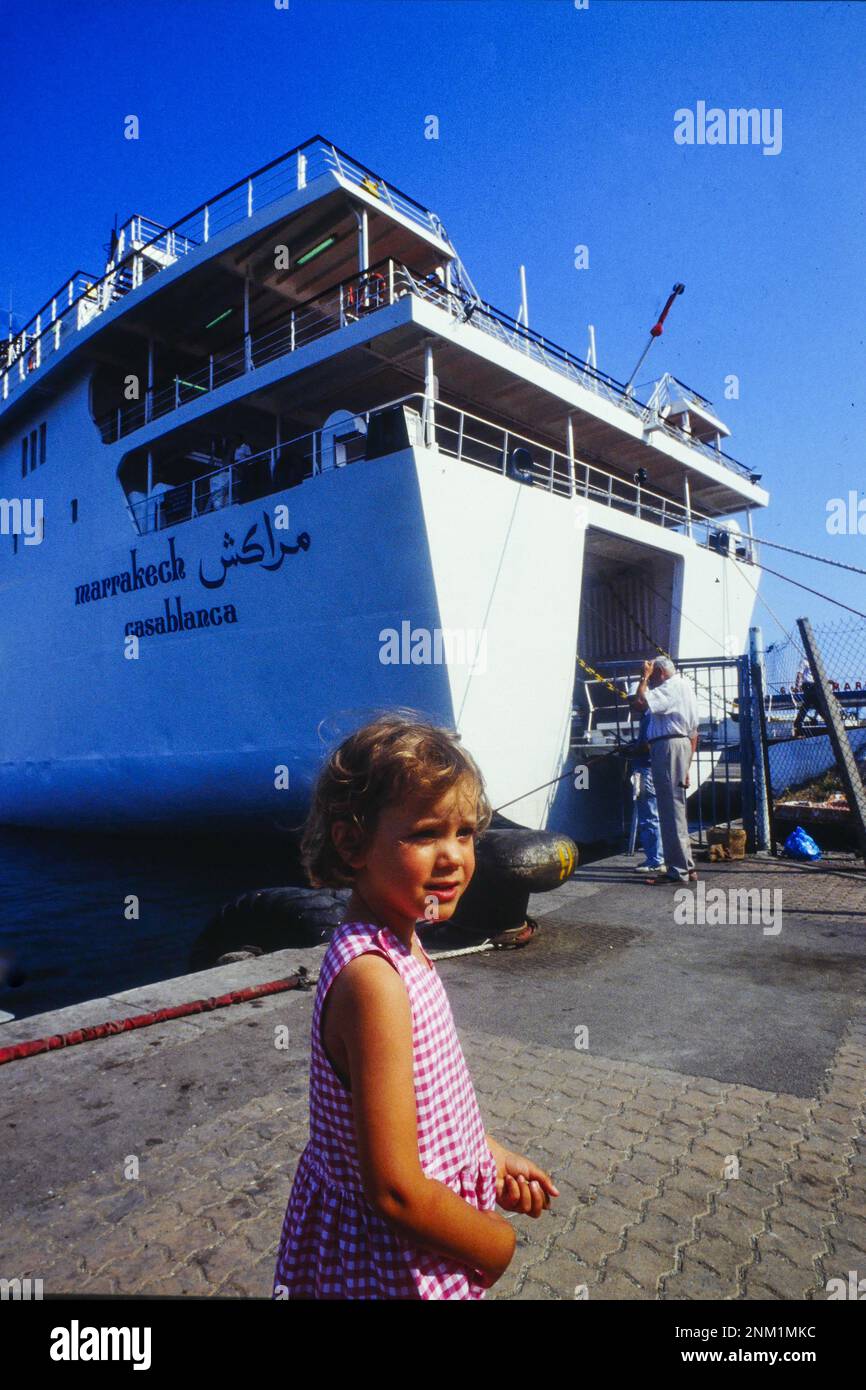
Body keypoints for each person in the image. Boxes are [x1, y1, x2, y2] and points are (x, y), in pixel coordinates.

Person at [272, 714, 558, 1299]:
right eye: (426, 833)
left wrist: (487, 1154)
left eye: (466, 833)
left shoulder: (403, 939)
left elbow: (433, 1105)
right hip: (392, 1261)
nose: (453, 855)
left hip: (417, 1230)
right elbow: (396, 1191)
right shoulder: (373, 980)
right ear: (353, 844)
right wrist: (494, 1245)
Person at [632, 656, 699, 886]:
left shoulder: (670, 687)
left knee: (669, 810)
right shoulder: (686, 688)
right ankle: (687, 867)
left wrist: (644, 676)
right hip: (681, 746)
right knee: (677, 809)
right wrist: (687, 764)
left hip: (667, 746)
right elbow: (694, 732)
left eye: (654, 674)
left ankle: (677, 870)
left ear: (660, 672)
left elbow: (640, 702)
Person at [628, 707, 665, 874]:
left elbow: (647, 747)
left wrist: (631, 750)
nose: (631, 704)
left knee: (648, 816)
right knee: (651, 815)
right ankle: (656, 856)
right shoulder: (648, 717)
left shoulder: (649, 718)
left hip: (644, 771)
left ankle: (656, 859)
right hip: (645, 770)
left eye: (633, 700)